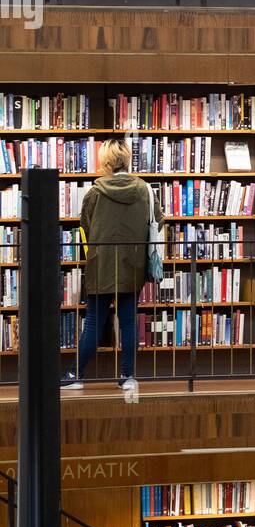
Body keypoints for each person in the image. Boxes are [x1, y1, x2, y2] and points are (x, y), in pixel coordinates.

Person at [62, 138, 164, 395]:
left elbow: (85, 225)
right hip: (132, 263)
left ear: (105, 161)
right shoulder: (144, 190)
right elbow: (158, 221)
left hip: (101, 264)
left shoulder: (95, 192)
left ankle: (77, 375)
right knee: (128, 321)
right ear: (127, 160)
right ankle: (128, 376)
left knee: (94, 321)